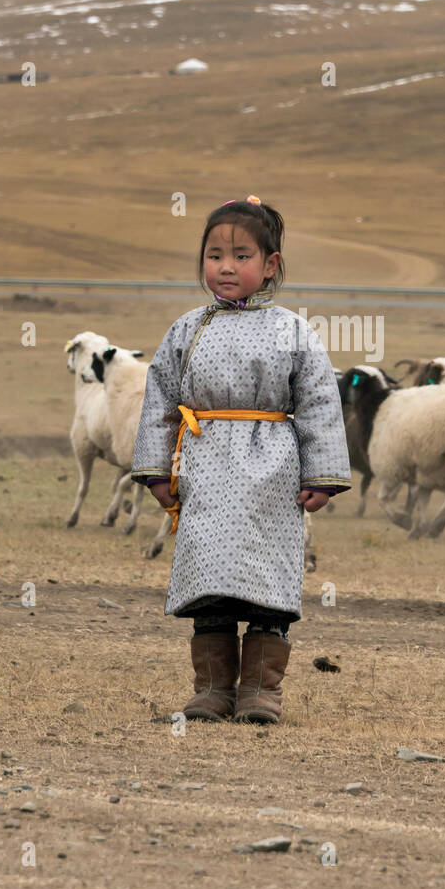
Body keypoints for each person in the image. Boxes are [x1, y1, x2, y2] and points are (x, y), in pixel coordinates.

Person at [131, 195, 351, 724]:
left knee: (267, 585)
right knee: (208, 583)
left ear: (271, 264)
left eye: (241, 256)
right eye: (214, 255)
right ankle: (211, 690)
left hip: (272, 471)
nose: (226, 267)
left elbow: (319, 403)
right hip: (203, 467)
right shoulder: (185, 329)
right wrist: (157, 471)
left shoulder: (294, 331)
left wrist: (322, 477)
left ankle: (260, 693)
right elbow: (159, 401)